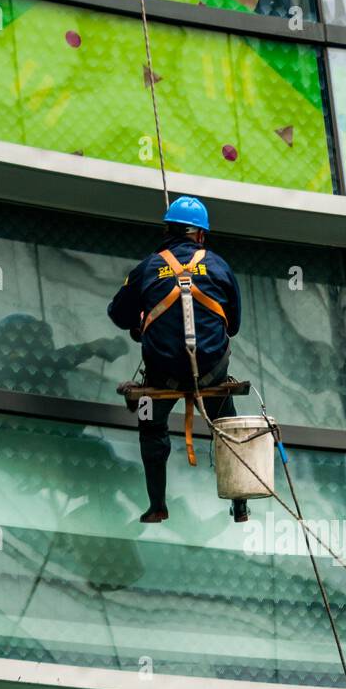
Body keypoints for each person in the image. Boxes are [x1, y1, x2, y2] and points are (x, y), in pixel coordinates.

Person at [107, 195, 245, 524]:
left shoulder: (147, 268)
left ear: (168, 230)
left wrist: (141, 323)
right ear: (200, 234)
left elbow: (117, 314)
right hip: (211, 371)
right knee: (227, 425)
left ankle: (158, 505)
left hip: (163, 373)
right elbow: (234, 326)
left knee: (151, 427)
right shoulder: (220, 266)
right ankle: (240, 504)